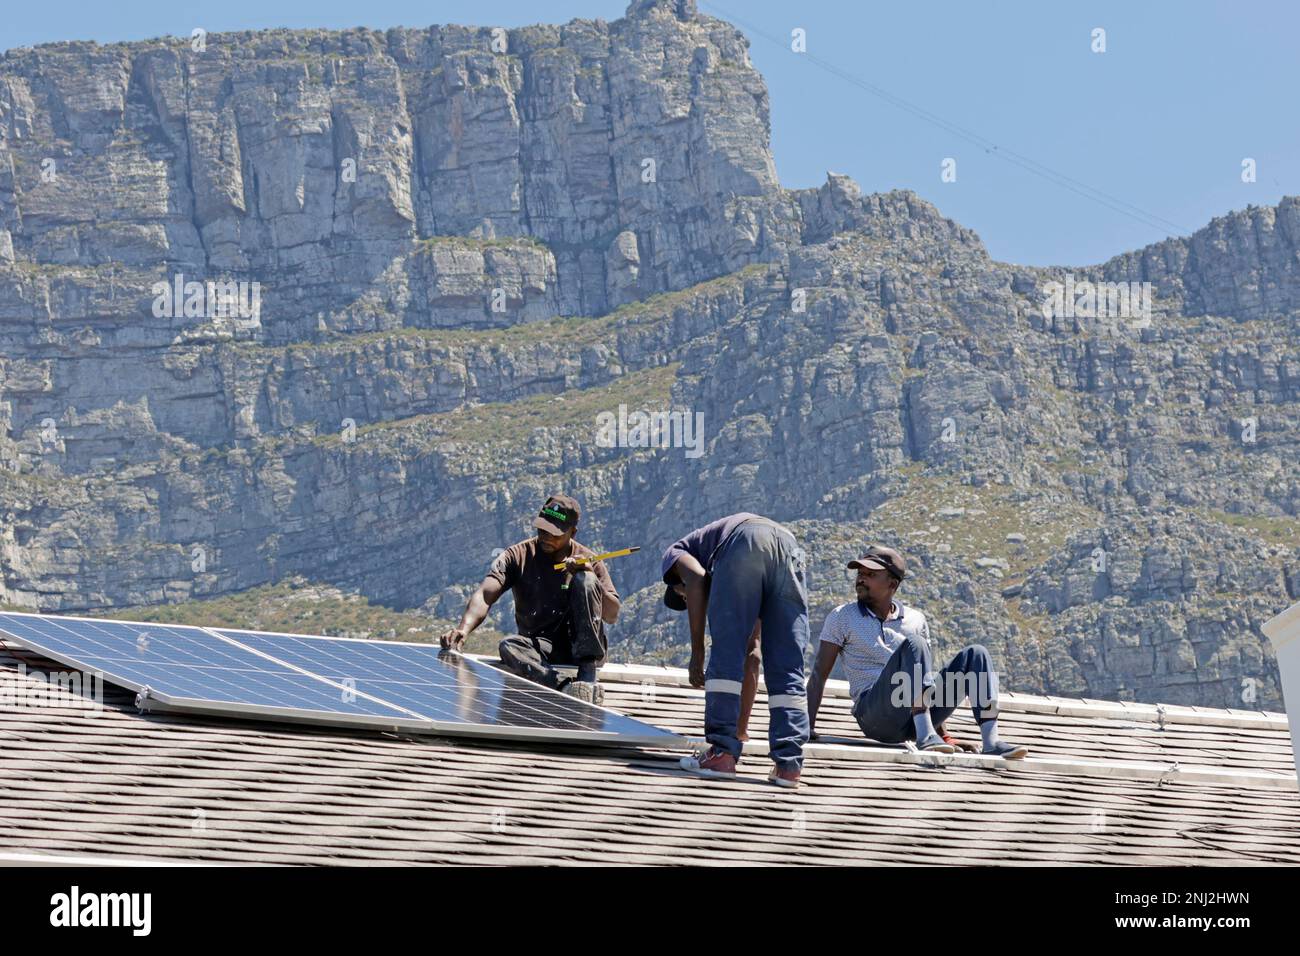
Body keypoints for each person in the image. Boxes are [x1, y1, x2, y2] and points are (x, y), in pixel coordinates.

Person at [807, 545, 1028, 759]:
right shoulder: (842, 617)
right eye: (860, 573)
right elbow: (818, 675)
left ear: (892, 584)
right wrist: (805, 727)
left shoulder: (915, 620)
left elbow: (923, 678)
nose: (861, 579)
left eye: (871, 574)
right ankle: (925, 735)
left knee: (976, 654)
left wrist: (945, 737)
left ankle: (991, 741)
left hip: (915, 715)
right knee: (915, 643)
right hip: (875, 715)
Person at [662, 513, 810, 788]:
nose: (694, 602)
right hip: (789, 546)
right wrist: (740, 730)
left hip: (745, 541)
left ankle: (721, 754)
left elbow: (695, 578)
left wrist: (697, 653)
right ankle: (788, 764)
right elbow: (752, 651)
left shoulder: (677, 553)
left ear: (675, 582)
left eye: (684, 597)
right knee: (787, 661)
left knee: (726, 652)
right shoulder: (725, 563)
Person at [440, 494, 620, 705]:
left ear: (573, 532)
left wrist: (589, 576)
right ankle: (565, 687)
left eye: (555, 534)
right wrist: (463, 628)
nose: (546, 537)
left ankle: (587, 675)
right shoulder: (518, 555)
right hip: (539, 650)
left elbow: (612, 614)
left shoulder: (589, 560)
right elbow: (485, 595)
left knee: (586, 580)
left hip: (578, 649)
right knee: (509, 646)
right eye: (542, 530)